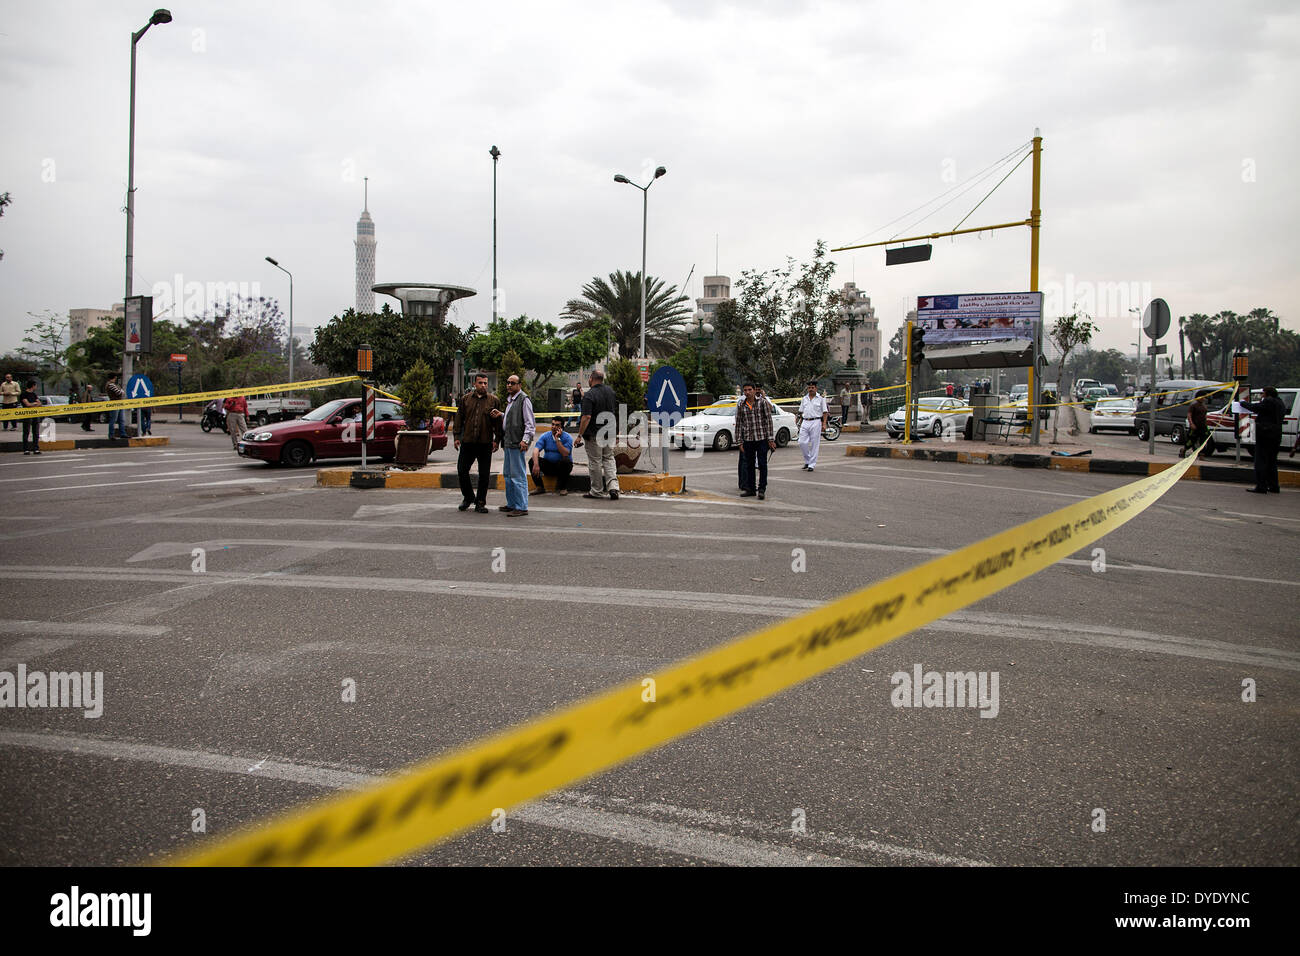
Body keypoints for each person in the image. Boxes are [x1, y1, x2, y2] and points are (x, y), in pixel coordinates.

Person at [453, 373, 502, 514]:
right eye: (480, 383)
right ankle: (468, 497)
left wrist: (497, 440)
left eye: (485, 383)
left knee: (484, 474)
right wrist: (457, 436)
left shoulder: (494, 401)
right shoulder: (465, 399)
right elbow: (459, 418)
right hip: (467, 442)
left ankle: (480, 502)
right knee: (462, 471)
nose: (483, 385)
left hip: (485, 443)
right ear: (475, 384)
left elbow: (498, 423)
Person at [575, 369, 620, 501]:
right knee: (609, 459)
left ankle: (596, 491)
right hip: (609, 432)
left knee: (595, 461)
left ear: (591, 379)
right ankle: (613, 487)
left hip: (594, 434)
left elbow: (586, 417)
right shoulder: (611, 392)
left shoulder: (589, 395)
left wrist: (579, 435)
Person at [497, 374, 534, 516]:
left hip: (517, 443)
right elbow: (511, 418)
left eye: (512, 383)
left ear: (519, 385)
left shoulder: (524, 400)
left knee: (518, 476)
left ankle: (521, 506)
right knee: (508, 475)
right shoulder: (511, 400)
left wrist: (525, 440)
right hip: (508, 443)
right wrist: (501, 415)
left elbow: (530, 424)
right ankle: (512, 503)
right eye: (508, 383)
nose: (509, 385)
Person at [1240, 386, 1285, 494]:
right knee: (1272, 461)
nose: (1261, 395)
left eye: (1263, 393)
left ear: (1267, 393)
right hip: (1276, 434)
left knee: (1261, 461)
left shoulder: (1268, 401)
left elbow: (1256, 408)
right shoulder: (1280, 402)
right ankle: (1274, 486)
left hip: (1265, 434)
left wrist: (1242, 403)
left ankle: (1261, 486)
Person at [735, 382, 776, 499]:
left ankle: (762, 488)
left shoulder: (762, 403)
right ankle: (751, 489)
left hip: (761, 438)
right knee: (749, 465)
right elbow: (739, 424)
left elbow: (768, 421)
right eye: (745, 390)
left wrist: (770, 439)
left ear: (754, 390)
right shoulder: (741, 405)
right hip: (748, 439)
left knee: (762, 464)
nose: (747, 392)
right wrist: (739, 441)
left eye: (749, 390)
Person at [531, 416, 574, 495]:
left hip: (561, 468)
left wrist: (557, 439)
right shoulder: (545, 436)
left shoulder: (568, 437)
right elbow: (536, 450)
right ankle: (539, 487)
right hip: (549, 466)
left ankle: (563, 488)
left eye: (557, 425)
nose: (554, 427)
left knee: (566, 461)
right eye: (553, 424)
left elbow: (565, 454)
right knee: (532, 460)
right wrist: (536, 464)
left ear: (562, 427)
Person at [796, 380, 828, 472]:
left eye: (812, 388)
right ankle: (808, 460)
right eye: (809, 388)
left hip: (816, 421)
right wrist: (798, 420)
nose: (810, 389)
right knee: (802, 442)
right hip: (805, 421)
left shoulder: (821, 399)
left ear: (816, 388)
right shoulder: (804, 398)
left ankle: (812, 464)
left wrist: (824, 423)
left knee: (814, 444)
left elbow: (825, 412)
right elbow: (800, 411)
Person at [1180, 394, 1209, 459]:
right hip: (1195, 426)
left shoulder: (1204, 406)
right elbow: (1189, 415)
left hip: (1203, 426)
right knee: (1192, 440)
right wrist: (1191, 424)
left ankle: (1202, 455)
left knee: (1203, 440)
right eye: (1201, 397)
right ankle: (1183, 449)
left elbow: (1205, 416)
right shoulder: (1193, 406)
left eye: (1204, 397)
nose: (1203, 399)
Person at [19, 379, 42, 454]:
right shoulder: (24, 394)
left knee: (36, 432)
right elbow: (27, 404)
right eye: (35, 385)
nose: (36, 387)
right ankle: (26, 449)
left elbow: (39, 404)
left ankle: (36, 448)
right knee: (26, 432)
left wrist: (33, 404)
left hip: (35, 414)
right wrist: (34, 404)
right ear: (33, 386)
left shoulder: (34, 394)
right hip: (27, 415)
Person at [105, 375, 126, 439]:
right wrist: (121, 391)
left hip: (119, 403)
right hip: (114, 404)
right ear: (114, 378)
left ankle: (122, 433)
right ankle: (111, 435)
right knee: (113, 420)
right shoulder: (111, 385)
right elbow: (119, 393)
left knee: (121, 420)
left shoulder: (113, 385)